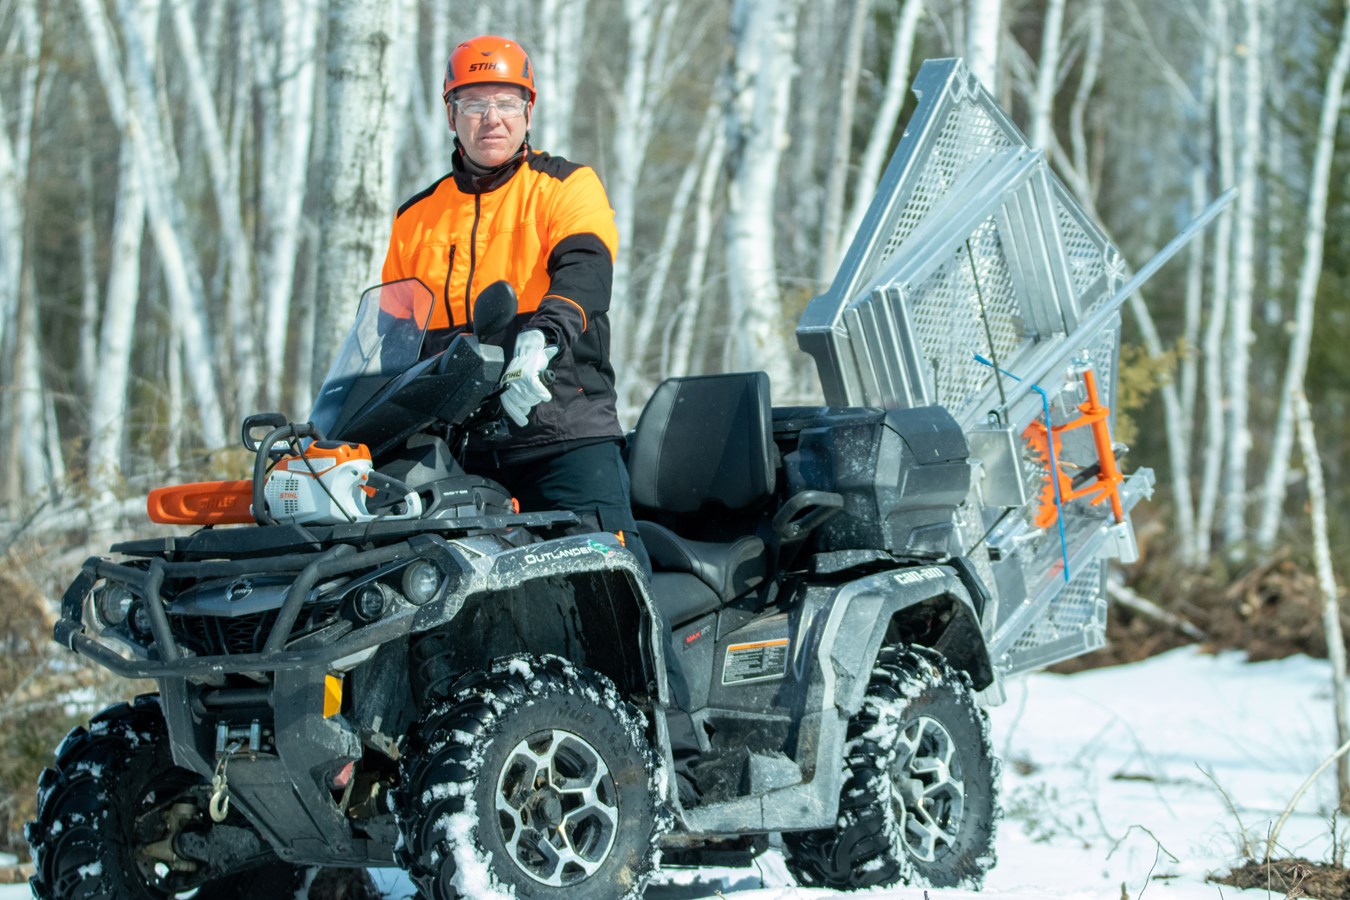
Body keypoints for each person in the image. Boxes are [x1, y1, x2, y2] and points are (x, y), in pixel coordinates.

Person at [380, 35, 649, 576]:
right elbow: (392, 338)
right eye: (474, 103)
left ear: (529, 111)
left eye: (506, 102)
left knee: (614, 586)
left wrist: (542, 338)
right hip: (459, 455)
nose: (492, 118)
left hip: (563, 434)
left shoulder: (566, 186)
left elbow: (586, 267)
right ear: (450, 115)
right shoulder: (416, 217)